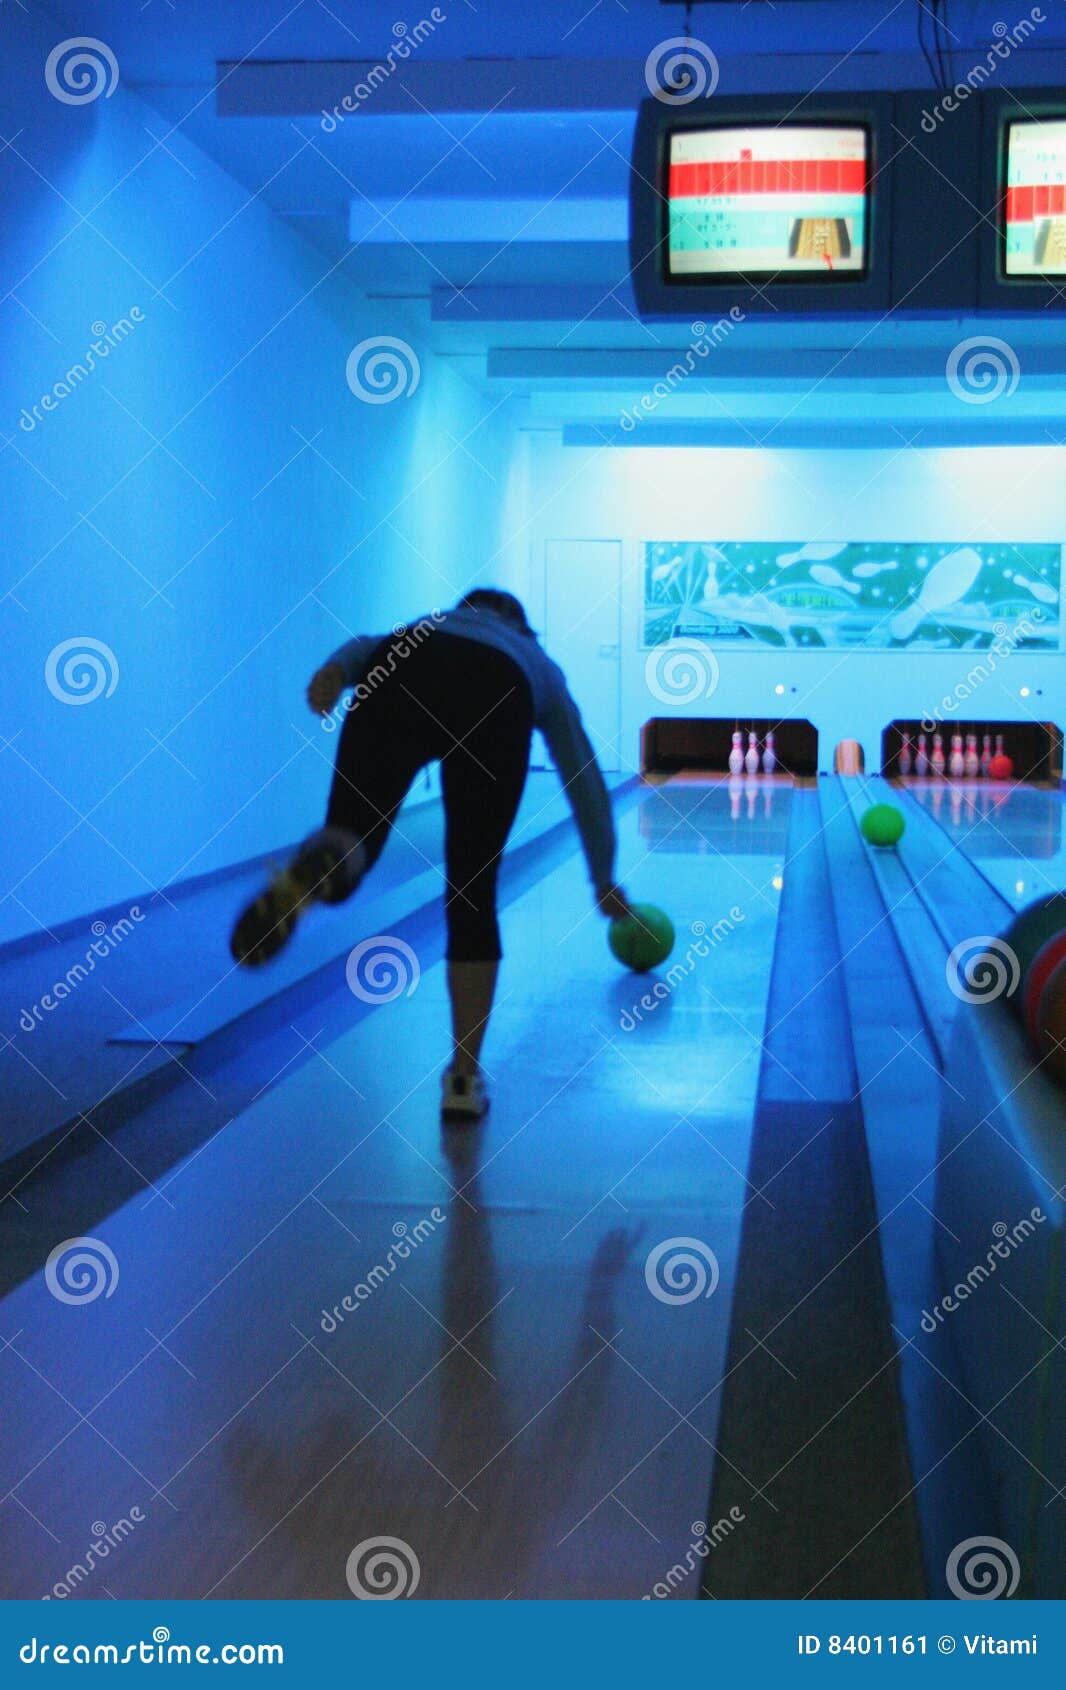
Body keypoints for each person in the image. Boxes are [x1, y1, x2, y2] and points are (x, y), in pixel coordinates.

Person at [230, 589, 630, 1122]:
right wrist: (603, 877)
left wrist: (335, 670)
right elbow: (583, 777)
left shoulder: (436, 622)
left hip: (402, 663)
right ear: (522, 625)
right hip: (497, 688)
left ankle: (315, 870)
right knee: (472, 887)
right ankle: (462, 1079)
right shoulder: (534, 659)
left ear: (470, 610)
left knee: (352, 832)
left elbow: (366, 649)